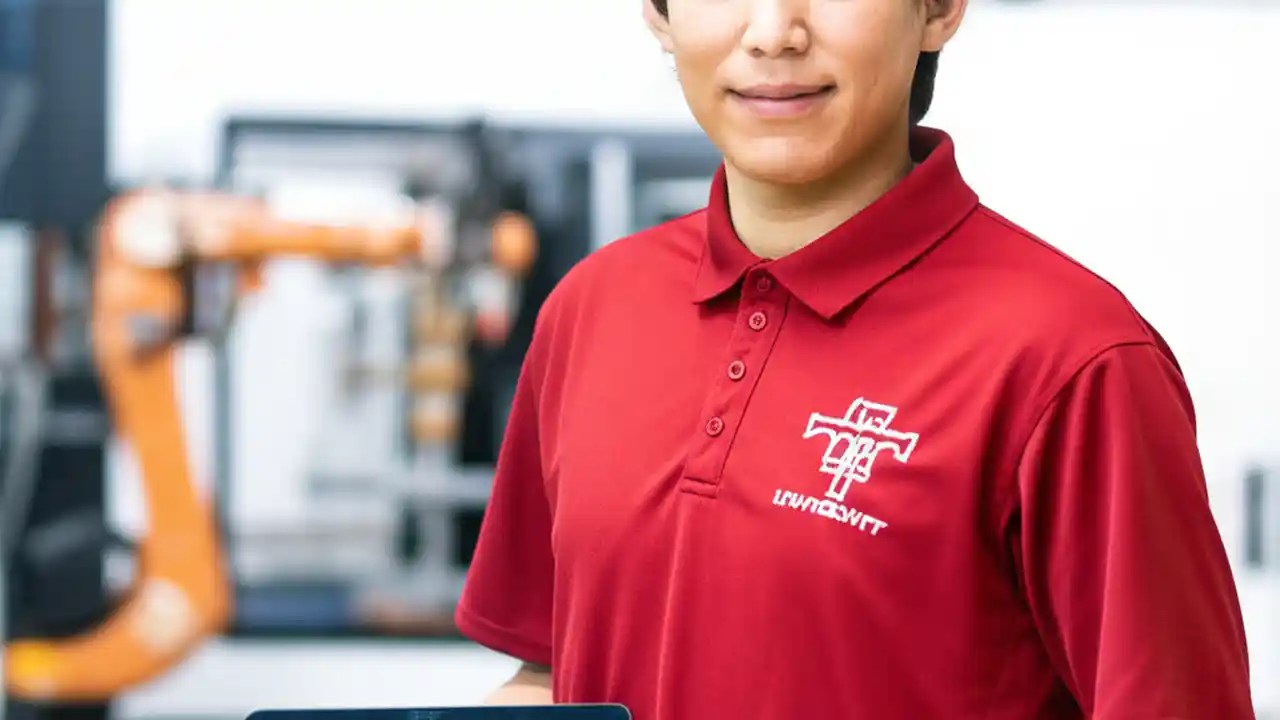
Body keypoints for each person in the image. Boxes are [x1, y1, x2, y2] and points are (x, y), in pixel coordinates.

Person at [455, 0, 1256, 717]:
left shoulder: (1074, 360)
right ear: (658, 13)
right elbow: (553, 673)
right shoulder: (592, 309)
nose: (773, 33)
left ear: (939, 9)